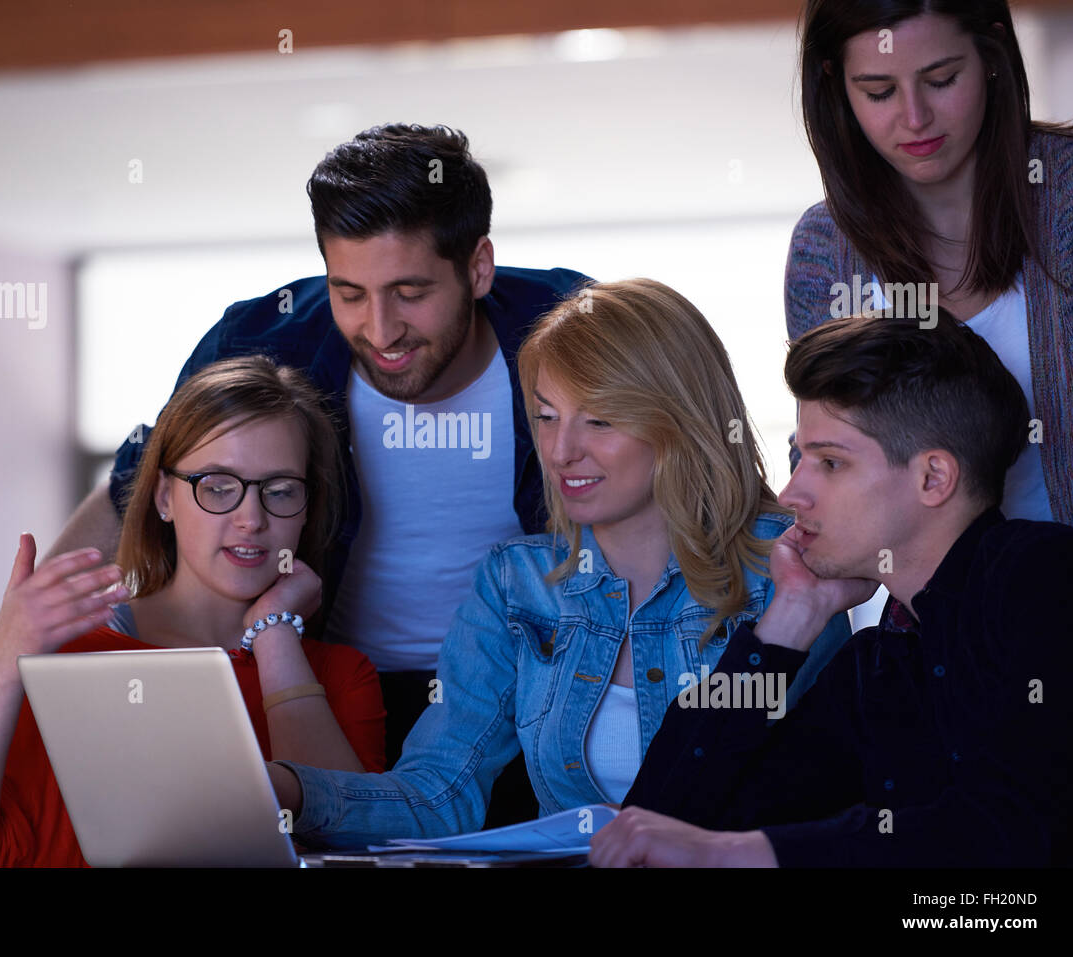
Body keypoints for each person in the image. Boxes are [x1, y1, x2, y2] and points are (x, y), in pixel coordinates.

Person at [0, 126, 588, 818]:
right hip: (332, 685)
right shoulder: (265, 336)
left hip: (516, 696)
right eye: (349, 292)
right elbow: (131, 490)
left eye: (410, 292)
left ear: (478, 267)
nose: (380, 328)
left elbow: (671, 487)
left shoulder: (574, 331)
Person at [264, 280, 852, 842]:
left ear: (679, 420)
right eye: (547, 417)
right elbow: (438, 795)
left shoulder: (788, 566)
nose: (561, 451)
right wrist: (283, 790)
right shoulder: (516, 583)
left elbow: (813, 799)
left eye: (599, 419)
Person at [596, 312, 1073, 867]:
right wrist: (791, 617)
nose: (790, 493)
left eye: (830, 462)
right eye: (800, 455)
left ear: (933, 478)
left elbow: (1021, 835)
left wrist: (740, 853)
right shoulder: (876, 665)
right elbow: (664, 820)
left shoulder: (1047, 575)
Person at [0, 357, 385, 867]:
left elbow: (341, 850)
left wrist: (275, 636)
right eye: (218, 486)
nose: (252, 519)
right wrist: (3, 653)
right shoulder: (65, 654)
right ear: (164, 497)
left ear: (308, 506)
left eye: (281, 490)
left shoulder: (340, 677)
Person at [784, 0, 1073, 528]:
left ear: (992, 54)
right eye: (878, 91)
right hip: (929, 609)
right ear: (835, 85)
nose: (915, 117)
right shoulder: (824, 247)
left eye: (942, 80)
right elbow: (824, 451)